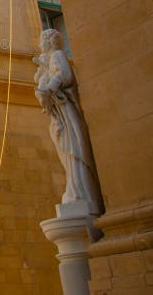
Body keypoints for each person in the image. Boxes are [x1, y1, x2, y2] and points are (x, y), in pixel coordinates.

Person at [34, 29, 102, 215]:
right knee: (65, 150)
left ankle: (80, 192)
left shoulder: (57, 55)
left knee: (72, 149)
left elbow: (65, 74)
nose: (40, 44)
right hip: (59, 112)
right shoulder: (48, 61)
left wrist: (50, 88)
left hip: (65, 111)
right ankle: (75, 190)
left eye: (41, 40)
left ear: (49, 41)